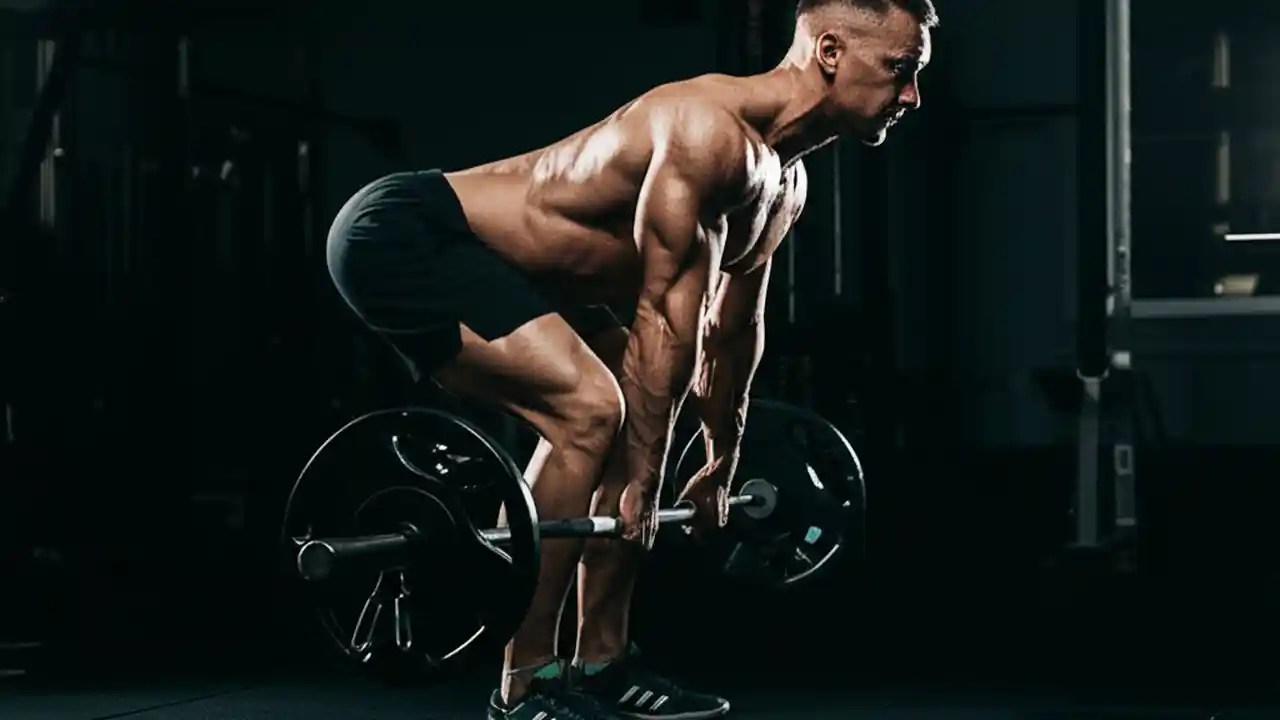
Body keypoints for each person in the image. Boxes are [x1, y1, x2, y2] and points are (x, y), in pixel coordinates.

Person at [326, 0, 935, 717]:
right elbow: (663, 322)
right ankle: (526, 686)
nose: (911, 97)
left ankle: (601, 663)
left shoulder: (783, 185)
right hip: (410, 234)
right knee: (593, 410)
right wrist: (645, 480)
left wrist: (720, 461)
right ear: (831, 51)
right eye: (900, 69)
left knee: (632, 415)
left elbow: (731, 334)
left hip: (516, 274)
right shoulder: (708, 132)